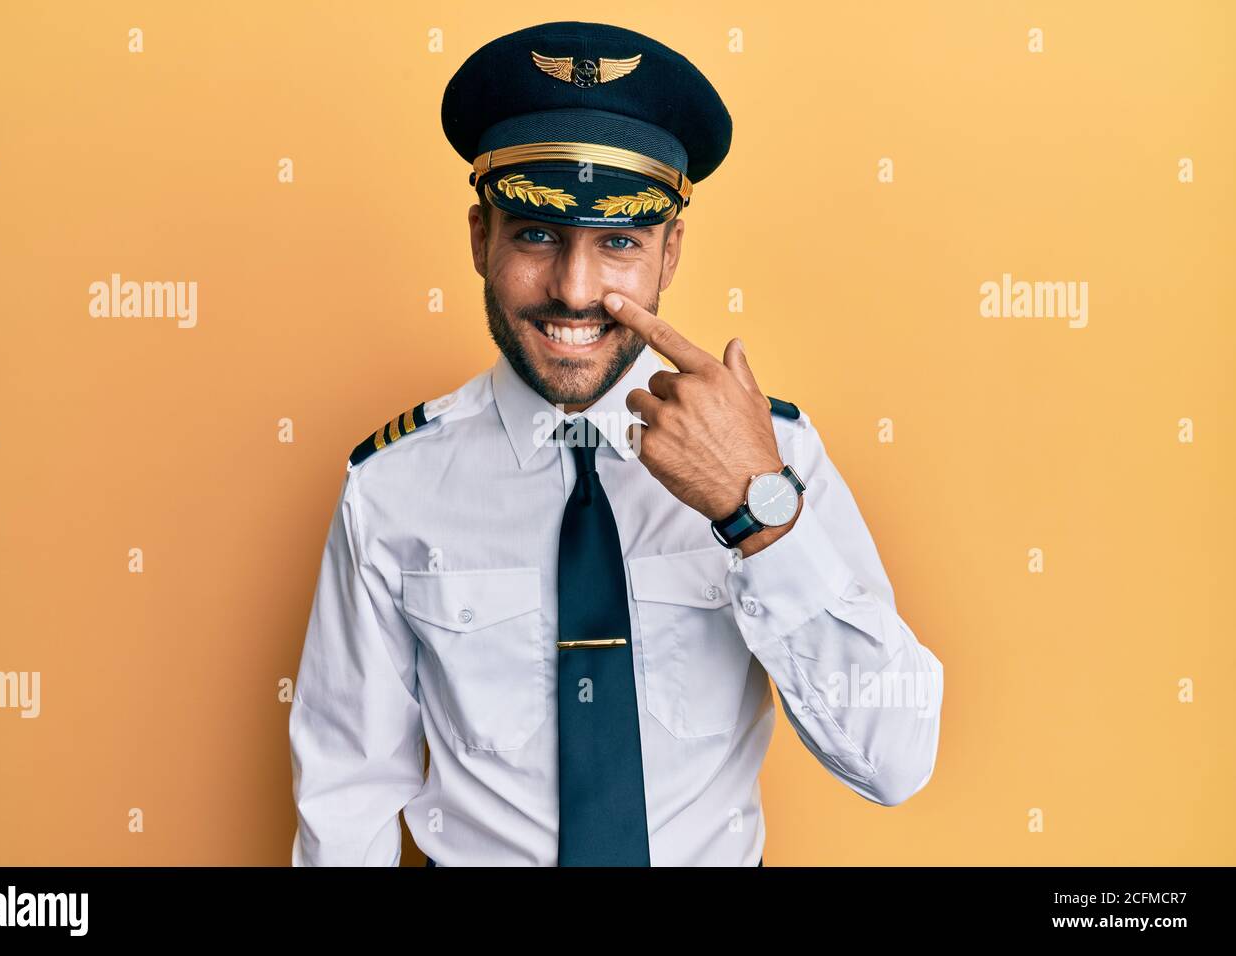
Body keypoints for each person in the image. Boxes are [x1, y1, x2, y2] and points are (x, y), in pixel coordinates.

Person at [288, 19, 943, 867]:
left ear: (669, 253)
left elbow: (894, 760)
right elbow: (348, 797)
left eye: (620, 243)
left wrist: (757, 512)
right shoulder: (392, 485)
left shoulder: (775, 457)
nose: (575, 290)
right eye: (536, 234)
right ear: (480, 237)